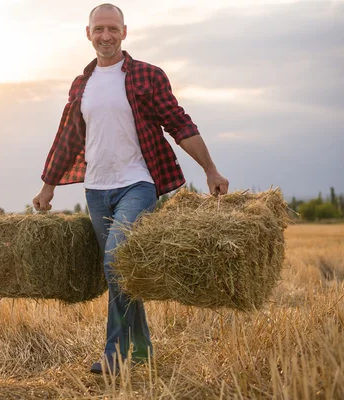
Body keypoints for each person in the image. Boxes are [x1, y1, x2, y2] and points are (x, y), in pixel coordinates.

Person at [32, 3, 229, 374]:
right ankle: (141, 351)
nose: (105, 36)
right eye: (99, 29)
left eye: (112, 29)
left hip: (139, 183)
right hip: (96, 191)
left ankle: (115, 355)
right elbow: (68, 138)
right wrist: (48, 188)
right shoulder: (82, 84)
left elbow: (178, 123)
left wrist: (210, 169)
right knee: (121, 274)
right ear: (87, 33)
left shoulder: (147, 76)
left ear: (125, 32)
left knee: (116, 262)